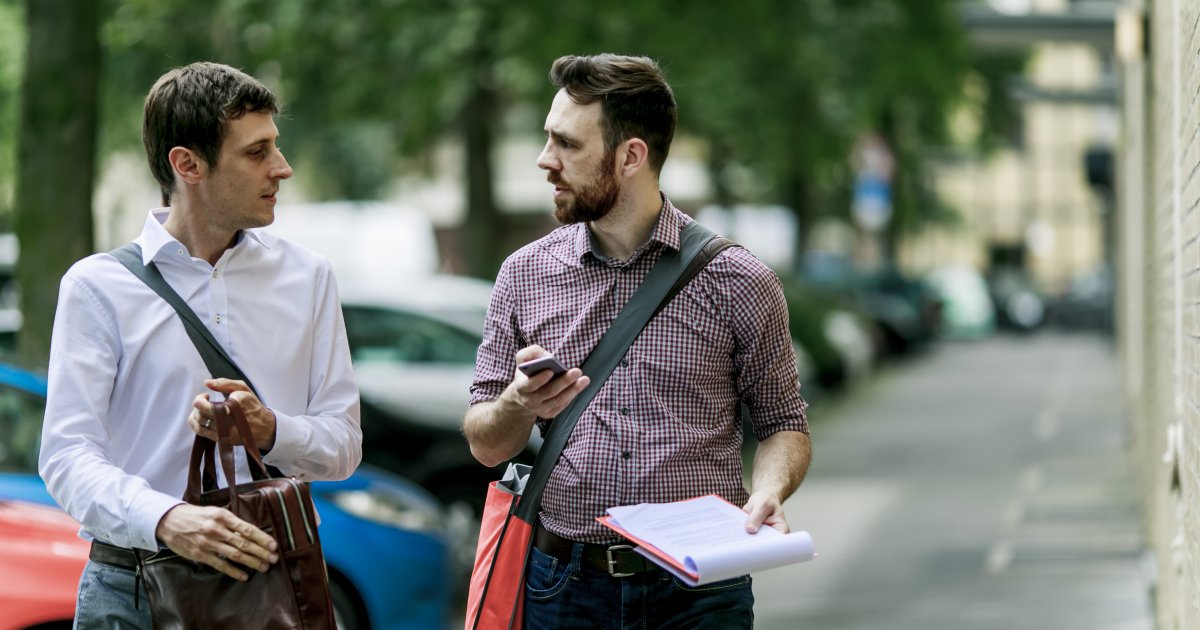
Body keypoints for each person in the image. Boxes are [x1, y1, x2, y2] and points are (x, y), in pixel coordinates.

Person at [463, 54, 811, 629]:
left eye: (567, 145)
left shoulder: (741, 280)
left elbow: (783, 424)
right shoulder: (522, 274)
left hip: (702, 588)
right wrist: (517, 404)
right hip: (564, 586)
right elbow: (485, 443)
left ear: (630, 156)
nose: (545, 160)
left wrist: (769, 491)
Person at [39, 61, 362, 628]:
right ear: (187, 164)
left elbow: (343, 446)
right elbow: (66, 457)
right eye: (256, 152)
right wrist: (167, 519)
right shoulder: (96, 287)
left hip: (267, 580)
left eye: (275, 147)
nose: (281, 169)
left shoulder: (308, 277)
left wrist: (270, 430)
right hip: (130, 587)